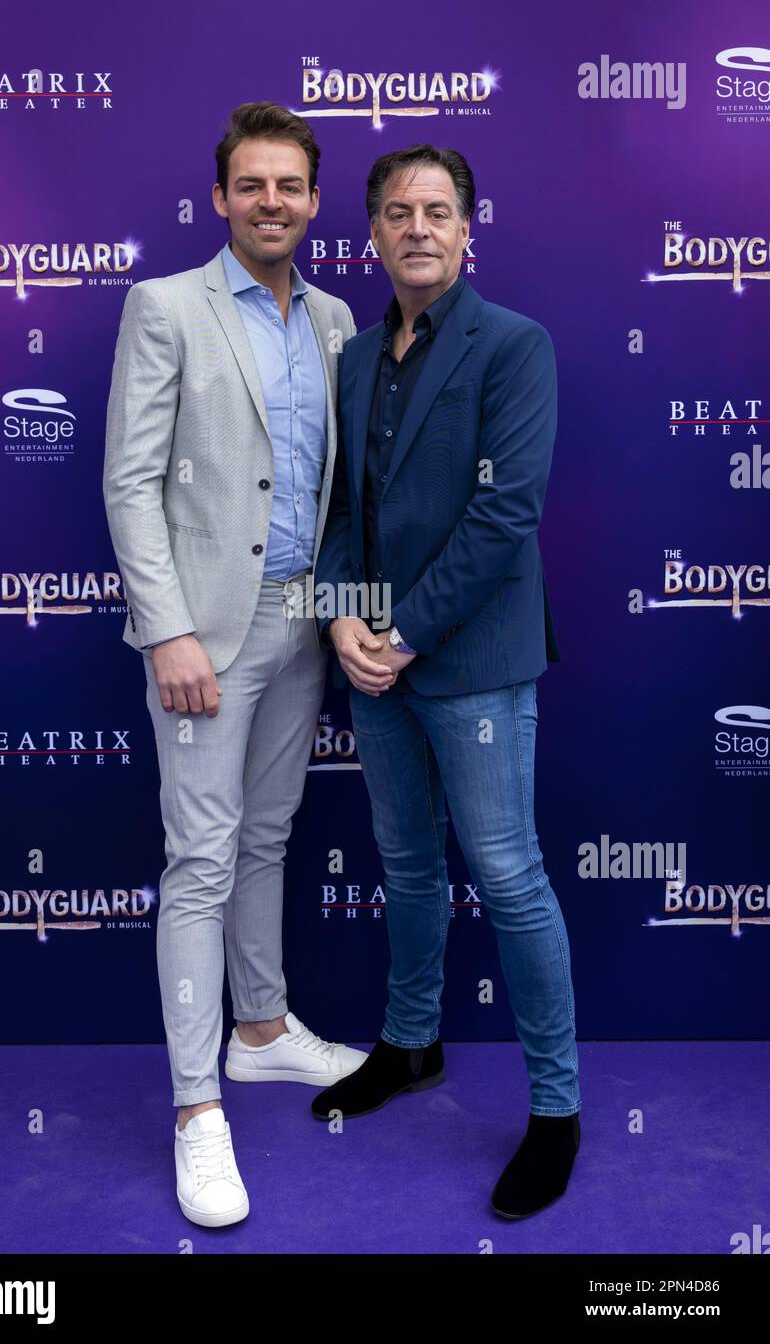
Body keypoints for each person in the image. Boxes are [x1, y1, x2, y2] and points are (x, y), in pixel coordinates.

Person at [103, 102, 365, 1229]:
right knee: (201, 858)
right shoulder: (164, 306)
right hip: (205, 630)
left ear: (313, 201)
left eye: (290, 187)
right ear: (219, 198)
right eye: (250, 185)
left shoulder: (339, 318)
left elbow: (348, 491)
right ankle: (196, 1108)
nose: (271, 203)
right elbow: (130, 478)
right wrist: (166, 631)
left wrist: (350, 614)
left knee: (267, 835)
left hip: (306, 623)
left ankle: (260, 1032)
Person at [311, 143, 581, 1219]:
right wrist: (337, 612)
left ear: (469, 229)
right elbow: (341, 511)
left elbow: (502, 515)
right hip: (371, 658)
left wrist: (400, 632)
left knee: (508, 876)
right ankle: (409, 1045)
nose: (415, 227)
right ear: (370, 233)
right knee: (405, 864)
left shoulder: (515, 346)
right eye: (394, 212)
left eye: (436, 210)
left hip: (465, 660)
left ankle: (555, 1110)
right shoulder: (352, 357)